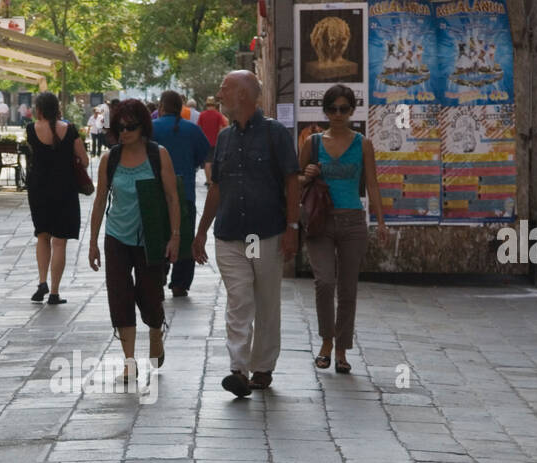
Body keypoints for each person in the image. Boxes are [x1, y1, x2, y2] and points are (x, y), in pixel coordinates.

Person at [193, 70, 300, 397]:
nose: (219, 94)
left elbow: (292, 180)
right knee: (239, 299)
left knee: (265, 300)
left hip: (263, 234)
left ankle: (263, 366)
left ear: (243, 95)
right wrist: (201, 232)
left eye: (225, 89)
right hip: (231, 234)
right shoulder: (224, 138)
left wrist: (292, 228)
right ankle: (238, 369)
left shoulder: (275, 134)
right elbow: (217, 187)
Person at [86, 98, 181, 382]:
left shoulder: (158, 155)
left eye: (131, 127)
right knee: (119, 296)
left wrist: (175, 236)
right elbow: (101, 199)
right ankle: (129, 361)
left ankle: (155, 332)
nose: (124, 132)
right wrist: (92, 242)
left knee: (151, 295)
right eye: (120, 127)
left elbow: (172, 197)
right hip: (116, 236)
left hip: (151, 237)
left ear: (143, 127)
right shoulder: (109, 159)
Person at [300, 84, 390, 375]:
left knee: (347, 289)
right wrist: (307, 174)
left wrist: (381, 222)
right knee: (324, 282)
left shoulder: (362, 144)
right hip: (320, 221)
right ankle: (326, 341)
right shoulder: (312, 143)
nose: (337, 114)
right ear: (325, 111)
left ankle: (341, 351)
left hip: (352, 221)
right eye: (332, 109)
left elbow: (373, 185)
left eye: (343, 109)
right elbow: (295, 181)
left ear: (352, 111)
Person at [26, 91, 89, 305]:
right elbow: (85, 161)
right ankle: (54, 292)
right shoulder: (69, 130)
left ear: (39, 109)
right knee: (59, 243)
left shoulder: (30, 129)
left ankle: (42, 281)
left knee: (42, 236)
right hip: (64, 190)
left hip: (38, 189)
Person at [151, 90, 210, 298]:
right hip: (185, 193)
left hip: (156, 193)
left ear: (161, 107)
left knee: (157, 236)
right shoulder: (192, 130)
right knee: (185, 239)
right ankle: (180, 283)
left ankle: (158, 275)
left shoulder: (152, 128)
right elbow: (205, 157)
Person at [197, 95, 228, 183]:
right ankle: (214, 179)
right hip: (216, 141)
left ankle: (208, 180)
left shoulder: (202, 115)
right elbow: (223, 127)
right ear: (214, 105)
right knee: (215, 161)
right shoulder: (218, 115)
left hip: (205, 142)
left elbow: (198, 128)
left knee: (207, 162)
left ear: (206, 105)